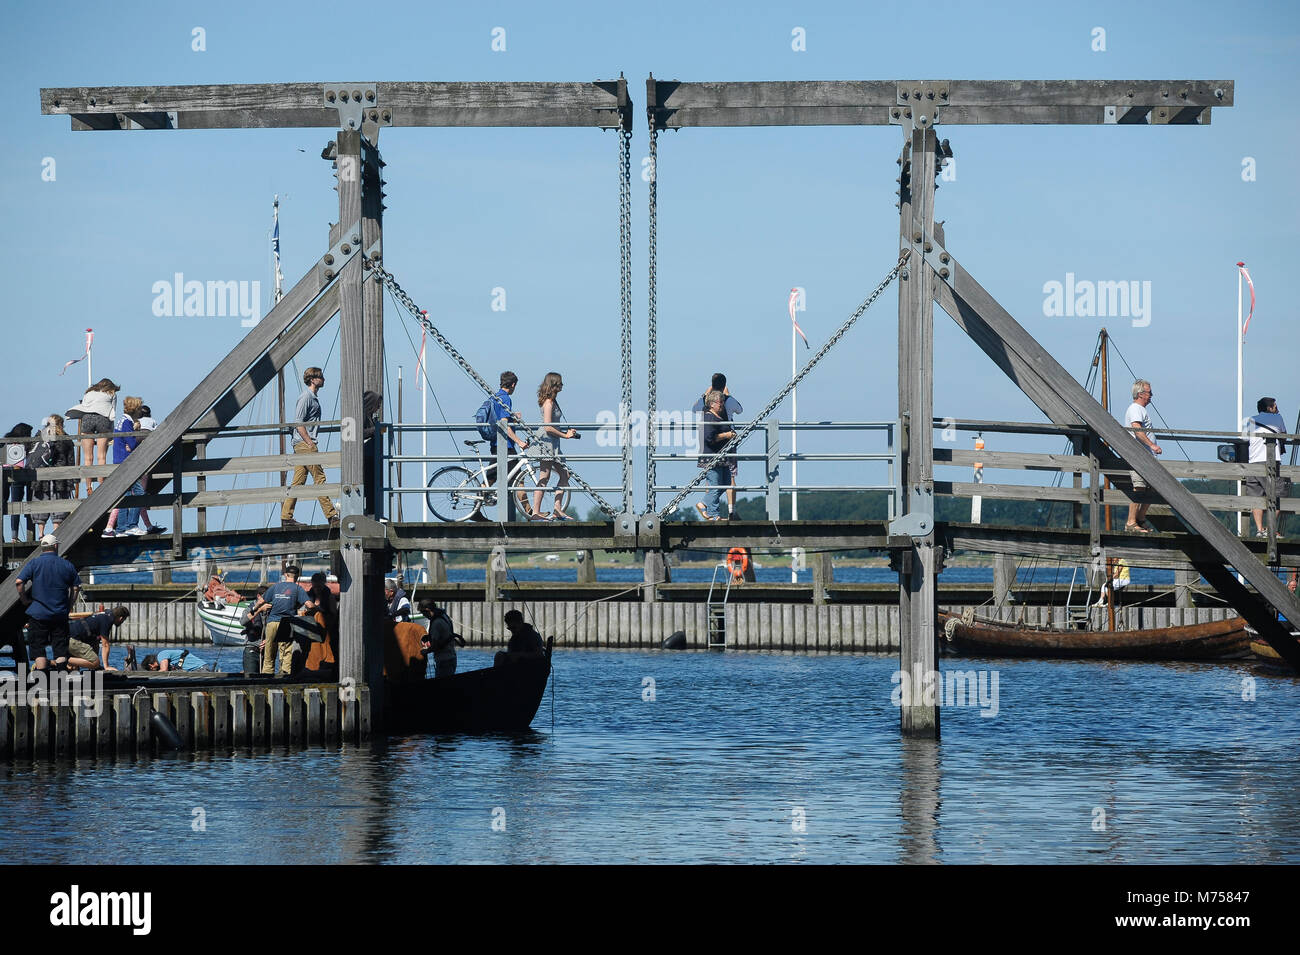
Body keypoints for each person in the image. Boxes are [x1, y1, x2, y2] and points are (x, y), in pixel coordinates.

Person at [282, 366, 339, 529]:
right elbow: (298, 422)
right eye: (320, 376)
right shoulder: (306, 397)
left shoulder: (312, 397)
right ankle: (332, 516)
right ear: (313, 379)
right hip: (305, 444)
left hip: (302, 443)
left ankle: (286, 516)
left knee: (298, 481)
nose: (323, 379)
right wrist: (310, 442)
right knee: (319, 478)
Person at [14, 534, 81, 672]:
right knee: (60, 650)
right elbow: (75, 588)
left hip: (38, 613)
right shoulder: (66, 565)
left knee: (38, 649)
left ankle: (43, 683)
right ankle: (61, 680)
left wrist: (24, 599)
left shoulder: (34, 563)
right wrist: (69, 605)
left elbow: (19, 582)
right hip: (59, 614)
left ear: (42, 547)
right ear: (55, 546)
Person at [102, 396, 162, 537]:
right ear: (135, 410)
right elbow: (133, 444)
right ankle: (132, 525)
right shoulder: (128, 423)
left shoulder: (121, 420)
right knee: (139, 494)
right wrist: (135, 434)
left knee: (126, 495)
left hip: (119, 461)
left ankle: (122, 527)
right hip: (127, 463)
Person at [479, 371, 530, 520]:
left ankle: (475, 510)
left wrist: (513, 416)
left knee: (491, 479)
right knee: (519, 479)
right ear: (513, 384)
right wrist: (519, 441)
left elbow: (501, 418)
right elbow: (504, 425)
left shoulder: (496, 397)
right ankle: (530, 513)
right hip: (505, 445)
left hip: (496, 442)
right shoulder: (506, 399)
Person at [692, 373, 744, 518]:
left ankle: (712, 512)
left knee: (717, 482)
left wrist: (705, 394)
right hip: (724, 444)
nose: (721, 405)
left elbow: (694, 408)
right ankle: (728, 511)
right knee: (724, 479)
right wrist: (729, 395)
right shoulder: (728, 400)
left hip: (711, 447)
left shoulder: (704, 401)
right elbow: (740, 410)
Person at [529, 372, 578, 521]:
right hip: (546, 442)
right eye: (560, 383)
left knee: (565, 474)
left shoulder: (553, 401)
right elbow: (548, 427)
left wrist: (566, 432)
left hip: (554, 443)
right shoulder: (548, 403)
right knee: (545, 477)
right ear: (555, 384)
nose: (562, 385)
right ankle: (535, 512)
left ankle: (557, 509)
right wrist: (565, 435)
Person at [66, 377, 120, 497]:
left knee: (88, 458)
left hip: (88, 418)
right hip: (103, 419)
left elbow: (84, 406)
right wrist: (110, 433)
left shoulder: (89, 392)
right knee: (101, 457)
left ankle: (89, 488)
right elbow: (112, 413)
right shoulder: (111, 393)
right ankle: (102, 486)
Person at [1243, 397, 1288, 538]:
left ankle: (1259, 529)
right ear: (1270, 408)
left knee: (1255, 497)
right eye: (1275, 406)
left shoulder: (1248, 420)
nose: (1277, 408)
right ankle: (1270, 528)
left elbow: (1244, 439)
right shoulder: (1278, 418)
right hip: (1271, 462)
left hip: (1253, 461)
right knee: (1278, 494)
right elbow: (1284, 436)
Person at [1123, 379, 1163, 533]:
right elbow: (1137, 430)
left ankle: (1140, 519)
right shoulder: (1135, 409)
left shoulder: (1140, 409)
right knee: (1139, 487)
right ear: (1140, 394)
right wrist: (1152, 445)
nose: (1151, 395)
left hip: (1146, 456)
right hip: (1139, 456)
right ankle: (1131, 522)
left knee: (1153, 488)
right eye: (1149, 392)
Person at [261, 564, 312, 676]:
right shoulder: (298, 588)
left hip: (272, 622)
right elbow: (309, 605)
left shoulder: (275, 587)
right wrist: (317, 608)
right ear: (297, 576)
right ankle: (284, 675)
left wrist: (255, 609)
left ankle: (266, 676)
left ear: (285, 575)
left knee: (269, 652)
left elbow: (262, 600)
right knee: (286, 652)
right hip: (286, 623)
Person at [31, 415, 77, 539]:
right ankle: (56, 533)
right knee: (60, 503)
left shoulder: (41, 437)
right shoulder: (66, 439)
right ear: (61, 424)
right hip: (61, 477)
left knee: (41, 502)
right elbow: (70, 459)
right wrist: (73, 478)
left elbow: (33, 453)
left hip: (41, 475)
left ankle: (41, 534)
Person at [67, 606, 130, 671]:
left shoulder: (103, 614)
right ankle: (64, 660)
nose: (122, 622)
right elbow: (105, 645)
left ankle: (66, 662)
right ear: (121, 618)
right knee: (95, 663)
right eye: (123, 620)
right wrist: (106, 666)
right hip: (72, 640)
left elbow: (95, 642)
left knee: (75, 668)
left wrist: (96, 667)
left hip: (67, 637)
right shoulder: (107, 620)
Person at [3, 423, 36, 543]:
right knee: (16, 505)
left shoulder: (6, 441)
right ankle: (14, 536)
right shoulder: (24, 444)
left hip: (4, 473)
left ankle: (4, 535)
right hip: (18, 473)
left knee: (3, 503)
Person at [418, 599, 462, 678]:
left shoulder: (436, 623)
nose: (423, 615)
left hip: (444, 661)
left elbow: (435, 645)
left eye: (423, 613)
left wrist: (424, 651)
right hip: (452, 657)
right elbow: (445, 635)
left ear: (427, 610)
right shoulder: (444, 616)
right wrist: (428, 637)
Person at [141, 648, 211, 672]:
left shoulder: (161, 655)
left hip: (200, 669)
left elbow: (164, 670)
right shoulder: (163, 657)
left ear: (151, 666)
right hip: (199, 669)